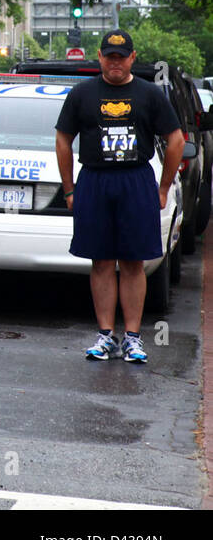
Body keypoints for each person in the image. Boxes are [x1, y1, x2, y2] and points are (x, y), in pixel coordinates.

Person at [55, 29, 183, 364]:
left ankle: (133, 337)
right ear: (100, 58)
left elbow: (176, 139)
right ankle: (105, 335)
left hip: (135, 179)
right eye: (109, 56)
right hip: (95, 180)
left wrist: (164, 187)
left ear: (132, 58)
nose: (115, 62)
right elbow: (63, 139)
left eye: (121, 56)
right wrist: (69, 189)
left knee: (133, 261)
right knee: (100, 261)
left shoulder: (149, 94)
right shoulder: (82, 94)